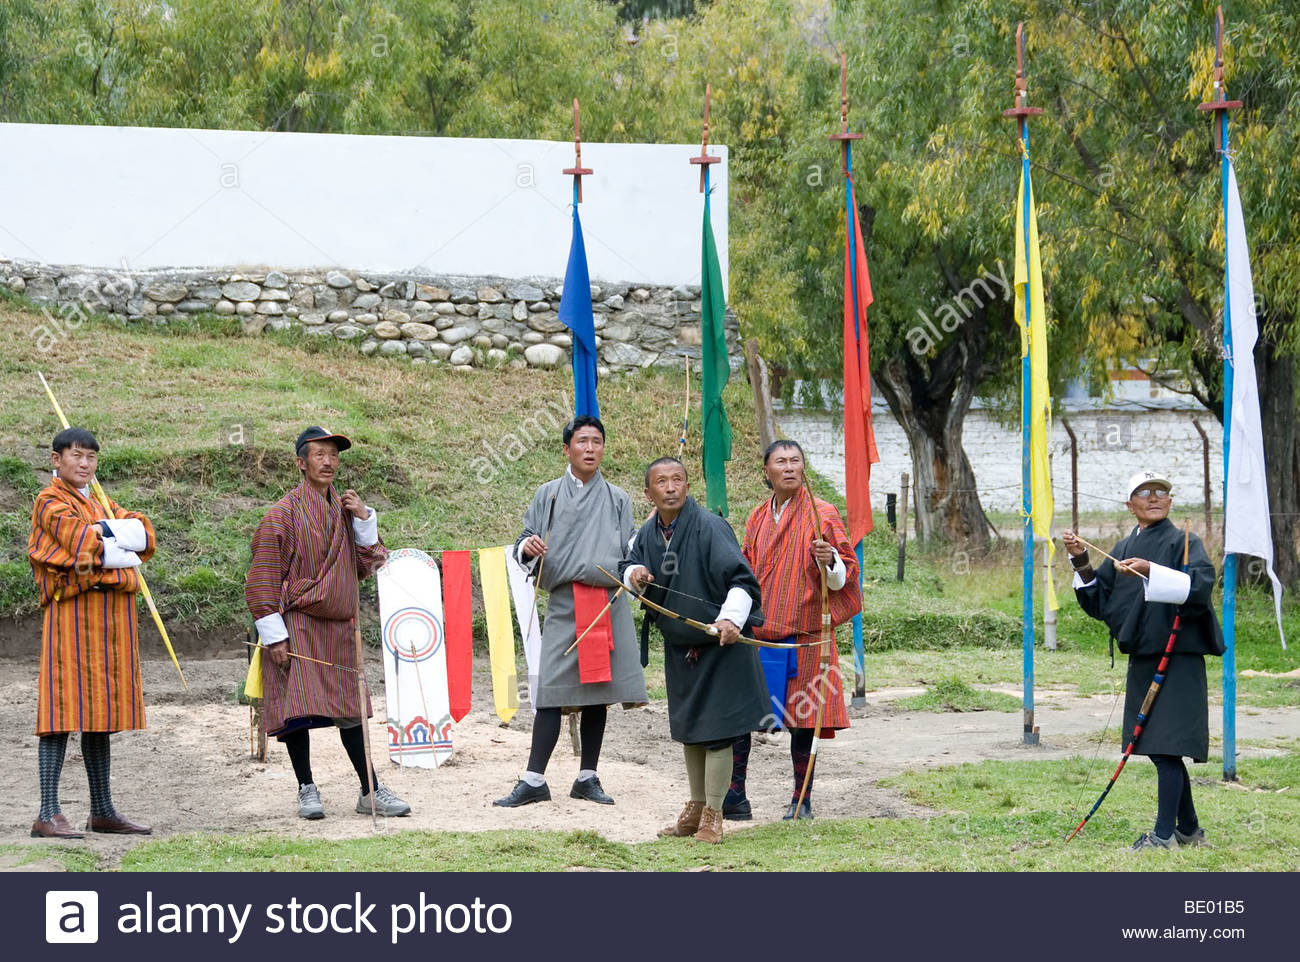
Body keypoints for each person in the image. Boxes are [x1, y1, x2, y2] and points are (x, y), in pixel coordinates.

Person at [245, 426, 410, 819]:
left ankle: (369, 789)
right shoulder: (280, 517)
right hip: (298, 625)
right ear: (301, 464)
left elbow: (371, 562)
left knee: (350, 706)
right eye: (319, 454)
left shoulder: (346, 510)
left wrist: (364, 519)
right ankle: (306, 787)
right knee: (296, 708)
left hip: (340, 628)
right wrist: (274, 637)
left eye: (333, 454)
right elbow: (262, 580)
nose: (328, 461)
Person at [1063, 470, 1223, 851]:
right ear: (1129, 504)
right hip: (1143, 659)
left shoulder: (1184, 541)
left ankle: (1164, 836)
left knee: (1167, 748)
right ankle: (1188, 830)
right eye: (1144, 492)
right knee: (1157, 748)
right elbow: (1100, 600)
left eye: (1161, 492)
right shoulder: (1120, 547)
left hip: (1176, 659)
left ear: (1169, 502)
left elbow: (1200, 585)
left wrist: (1152, 571)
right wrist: (1081, 559)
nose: (1154, 497)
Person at [494, 415, 647, 808]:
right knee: (550, 693)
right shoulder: (549, 494)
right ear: (567, 449)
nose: (591, 448)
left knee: (600, 693)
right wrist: (527, 548)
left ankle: (587, 776)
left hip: (607, 602)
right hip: (565, 602)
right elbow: (525, 538)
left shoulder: (618, 498)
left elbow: (631, 549)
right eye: (583, 441)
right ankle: (533, 779)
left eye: (597, 441)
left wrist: (635, 572)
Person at [621, 457, 769, 844]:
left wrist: (731, 620)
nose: (670, 488)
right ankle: (695, 805)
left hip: (721, 644)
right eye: (661, 482)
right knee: (691, 731)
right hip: (681, 647)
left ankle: (714, 814)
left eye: (678, 480)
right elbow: (630, 563)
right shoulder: (647, 534)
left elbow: (741, 580)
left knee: (718, 732)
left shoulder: (709, 526)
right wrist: (634, 576)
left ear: (687, 486)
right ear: (648, 492)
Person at [27, 427, 157, 838]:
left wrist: (110, 536)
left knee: (99, 713)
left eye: (91, 458)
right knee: (61, 710)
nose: (85, 464)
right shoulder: (49, 501)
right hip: (71, 618)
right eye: (77, 456)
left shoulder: (99, 500)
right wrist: (114, 540)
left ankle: (102, 810)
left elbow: (145, 534)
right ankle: (48, 812)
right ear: (56, 460)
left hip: (109, 621)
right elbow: (82, 544)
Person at [734, 439, 860, 820]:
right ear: (766, 472)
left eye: (796, 461)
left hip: (805, 633)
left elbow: (845, 575)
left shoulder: (823, 514)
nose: (789, 467)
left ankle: (801, 798)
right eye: (780, 462)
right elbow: (746, 569)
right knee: (742, 715)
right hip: (759, 634)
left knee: (803, 721)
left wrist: (831, 560)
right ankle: (734, 795)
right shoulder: (757, 516)